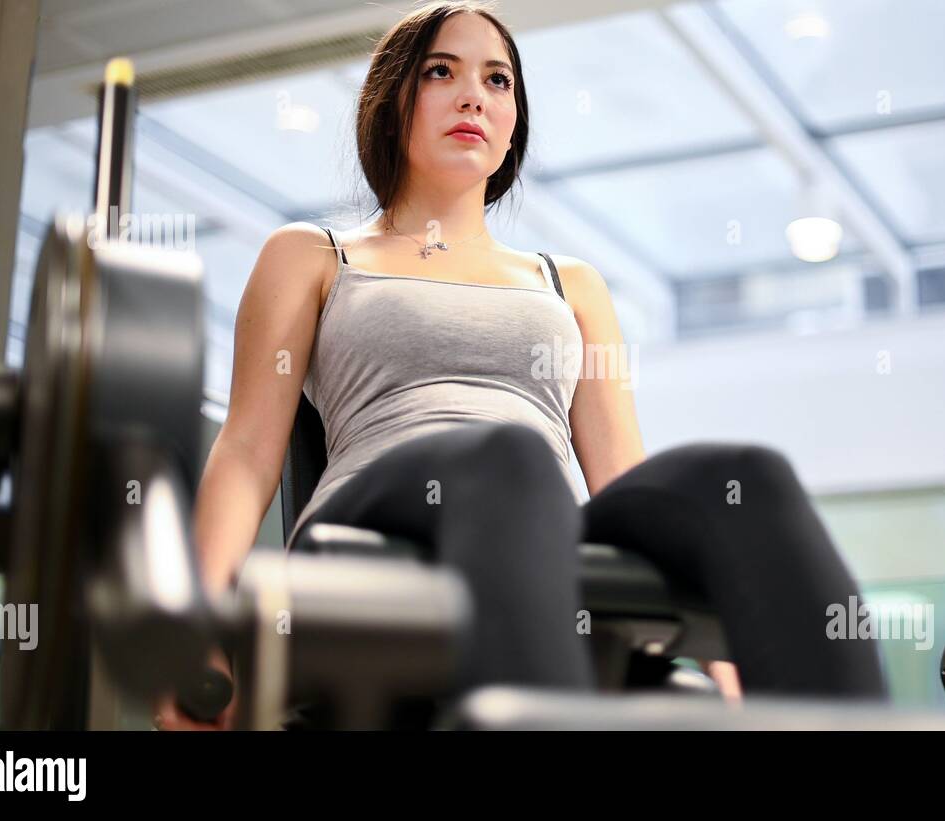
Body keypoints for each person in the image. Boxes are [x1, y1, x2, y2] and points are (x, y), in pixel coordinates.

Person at [154, 0, 884, 730]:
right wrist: (194, 630)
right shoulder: (313, 254)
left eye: (498, 80)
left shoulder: (570, 282)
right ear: (390, 102)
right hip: (372, 523)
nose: (474, 93)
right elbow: (248, 449)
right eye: (442, 71)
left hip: (544, 533)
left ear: (513, 123)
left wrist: (719, 631)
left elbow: (624, 481)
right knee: (509, 456)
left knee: (744, 473)